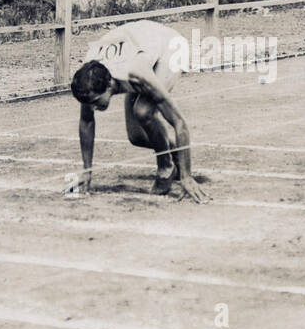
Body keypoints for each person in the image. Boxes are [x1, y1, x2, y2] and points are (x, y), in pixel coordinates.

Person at [67, 20, 208, 202]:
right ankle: (173, 151)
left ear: (110, 84)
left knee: (142, 111)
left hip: (170, 47)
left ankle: (166, 167)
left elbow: (179, 122)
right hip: (139, 44)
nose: (93, 107)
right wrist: (87, 170)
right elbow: (86, 121)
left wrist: (187, 177)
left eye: (95, 102)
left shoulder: (137, 73)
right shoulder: (89, 76)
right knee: (137, 137)